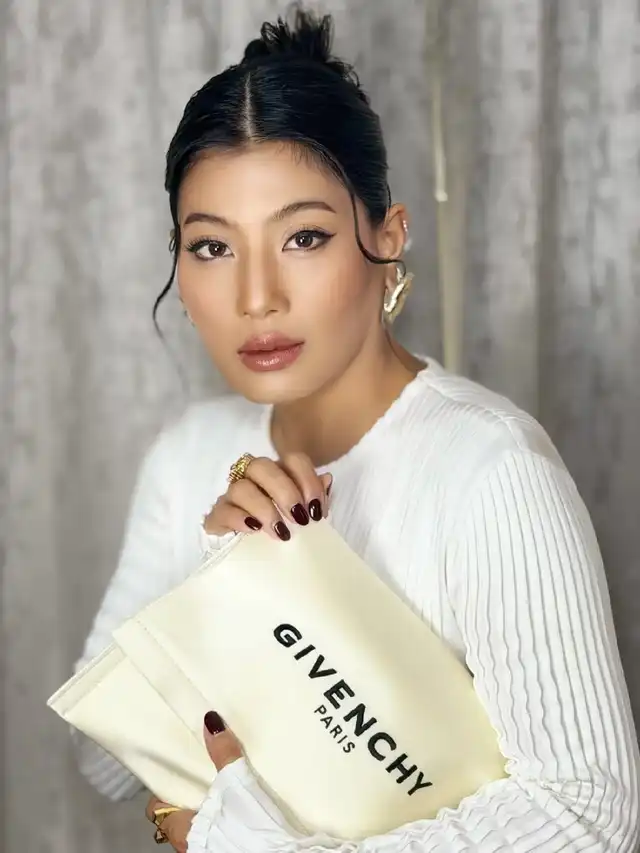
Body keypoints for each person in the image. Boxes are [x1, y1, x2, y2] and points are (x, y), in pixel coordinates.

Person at [74, 7, 640, 853]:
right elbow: (103, 756)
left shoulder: (489, 467)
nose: (257, 295)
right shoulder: (187, 452)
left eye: (303, 236)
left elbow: (588, 815)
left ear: (388, 236)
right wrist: (224, 576)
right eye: (213, 247)